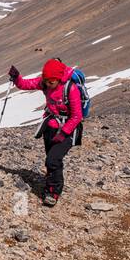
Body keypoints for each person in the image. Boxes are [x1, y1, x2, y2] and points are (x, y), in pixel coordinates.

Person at [8, 59, 85, 207]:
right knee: (52, 159)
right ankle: (52, 182)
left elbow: (77, 116)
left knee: (52, 160)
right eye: (46, 81)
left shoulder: (71, 88)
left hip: (67, 130)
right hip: (50, 127)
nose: (48, 85)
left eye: (51, 82)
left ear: (59, 78)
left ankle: (53, 192)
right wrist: (17, 77)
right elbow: (25, 84)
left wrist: (63, 133)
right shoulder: (45, 82)